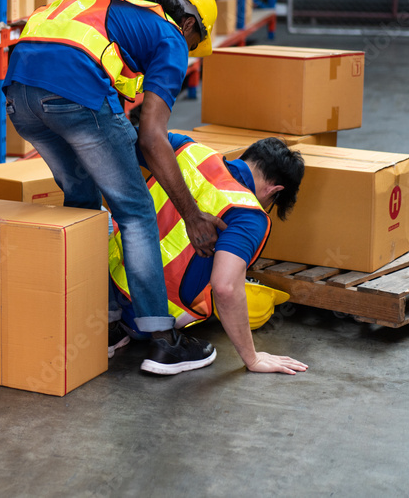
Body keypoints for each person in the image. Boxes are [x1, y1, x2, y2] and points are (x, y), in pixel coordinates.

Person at [3, 0, 226, 376]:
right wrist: (191, 215)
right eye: (194, 46)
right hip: (72, 93)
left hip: (19, 98)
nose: (187, 53)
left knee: (83, 205)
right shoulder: (171, 36)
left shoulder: (111, 9)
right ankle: (163, 341)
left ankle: (104, 326)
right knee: (135, 213)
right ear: (190, 25)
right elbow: (153, 136)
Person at [109, 134, 309, 375]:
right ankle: (158, 344)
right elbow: (225, 287)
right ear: (274, 190)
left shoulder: (187, 149)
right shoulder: (249, 215)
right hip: (143, 320)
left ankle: (108, 330)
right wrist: (252, 358)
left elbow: (117, 141)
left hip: (94, 283)